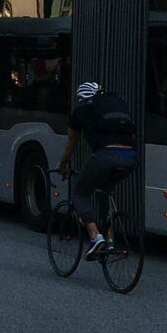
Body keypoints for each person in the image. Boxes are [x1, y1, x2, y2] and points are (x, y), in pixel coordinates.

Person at [57, 81, 138, 259]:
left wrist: (62, 166)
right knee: (104, 189)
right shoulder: (115, 108)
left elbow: (71, 145)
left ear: (82, 100)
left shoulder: (81, 112)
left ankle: (95, 236)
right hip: (131, 157)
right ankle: (109, 240)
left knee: (80, 192)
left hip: (104, 156)